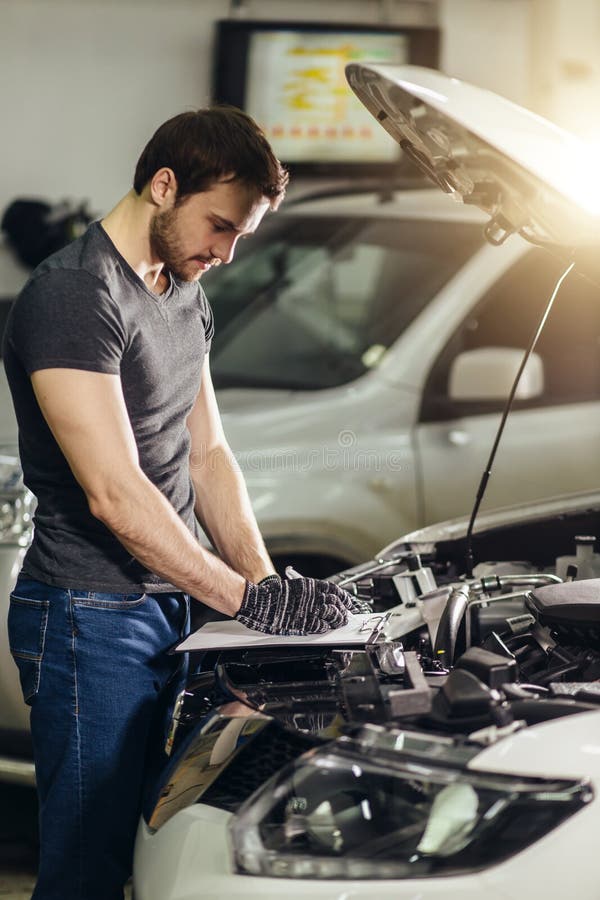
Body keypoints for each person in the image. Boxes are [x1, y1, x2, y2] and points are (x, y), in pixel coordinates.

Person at [3, 107, 357, 900]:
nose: (226, 253)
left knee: (164, 852)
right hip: (90, 615)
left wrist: (268, 588)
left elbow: (208, 455)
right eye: (220, 226)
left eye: (241, 236)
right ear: (164, 185)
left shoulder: (182, 289)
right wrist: (246, 601)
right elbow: (115, 493)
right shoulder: (74, 295)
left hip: (175, 610)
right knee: (89, 869)